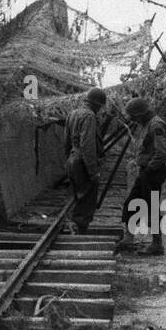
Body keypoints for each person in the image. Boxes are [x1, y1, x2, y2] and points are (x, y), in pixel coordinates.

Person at [117, 96, 166, 255]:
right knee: (132, 203)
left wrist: (149, 168)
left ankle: (157, 244)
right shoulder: (147, 124)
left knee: (152, 208)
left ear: (140, 113)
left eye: (134, 116)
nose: (133, 120)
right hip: (146, 171)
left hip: (153, 172)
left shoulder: (156, 125)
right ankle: (128, 238)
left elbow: (162, 152)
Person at [64, 88, 106, 233]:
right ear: (97, 104)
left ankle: (75, 225)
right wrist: (93, 171)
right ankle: (80, 229)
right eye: (100, 106)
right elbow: (88, 145)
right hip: (83, 161)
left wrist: (69, 160)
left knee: (77, 194)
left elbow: (66, 141)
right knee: (87, 197)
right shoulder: (89, 116)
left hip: (73, 158)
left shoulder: (72, 113)